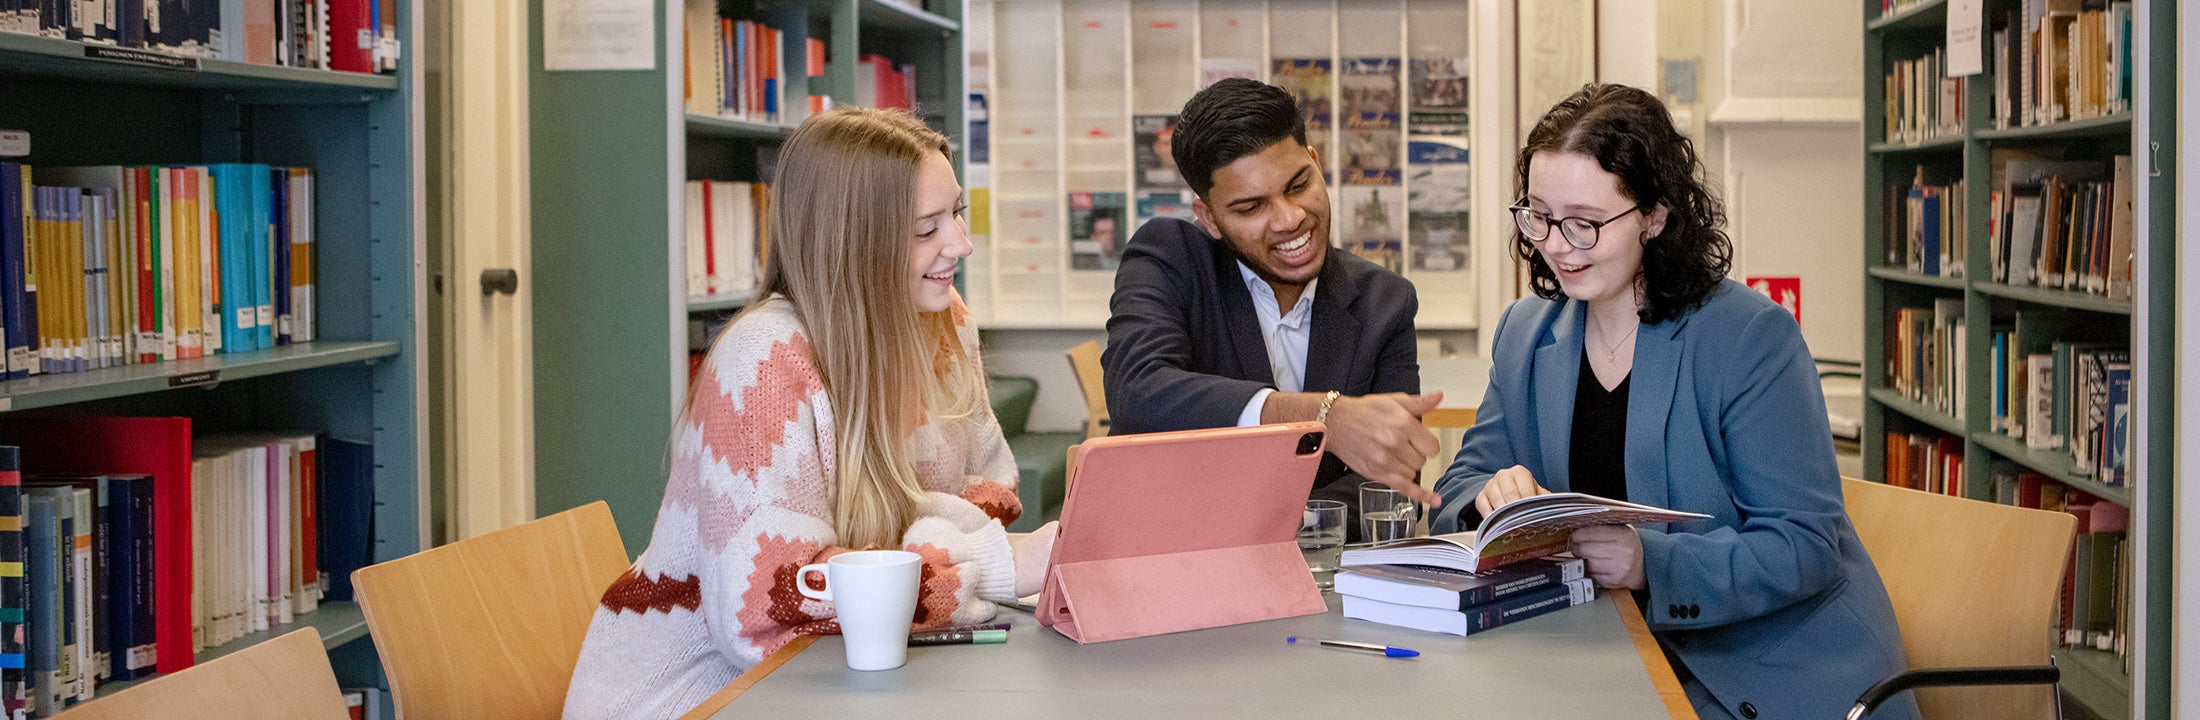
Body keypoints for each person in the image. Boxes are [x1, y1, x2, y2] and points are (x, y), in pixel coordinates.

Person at [1430, 83, 1916, 720]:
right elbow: (1456, 490)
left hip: (1765, 666)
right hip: (1603, 648)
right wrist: (1492, 500)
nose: (1555, 245)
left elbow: (1804, 544)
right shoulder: (1526, 332)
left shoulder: (1748, 338)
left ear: (1655, 218)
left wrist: (1649, 563)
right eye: (1539, 216)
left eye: (1585, 223)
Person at [562, 106, 1058, 720]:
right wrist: (990, 564)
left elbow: (988, 492)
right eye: (925, 230)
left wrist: (927, 552)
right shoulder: (764, 360)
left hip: (853, 680)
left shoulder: (942, 319)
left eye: (954, 213)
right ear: (853, 245)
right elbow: (765, 612)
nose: (961, 244)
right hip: (705, 698)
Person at [1104, 77, 1443, 537]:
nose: (1289, 219)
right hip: (1172, 568)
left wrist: (1266, 525)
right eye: (1250, 208)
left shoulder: (1384, 301)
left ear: (1315, 163)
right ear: (1210, 219)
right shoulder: (1170, 256)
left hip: (1318, 579)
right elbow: (1139, 389)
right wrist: (1325, 415)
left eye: (1299, 184)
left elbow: (1388, 485)